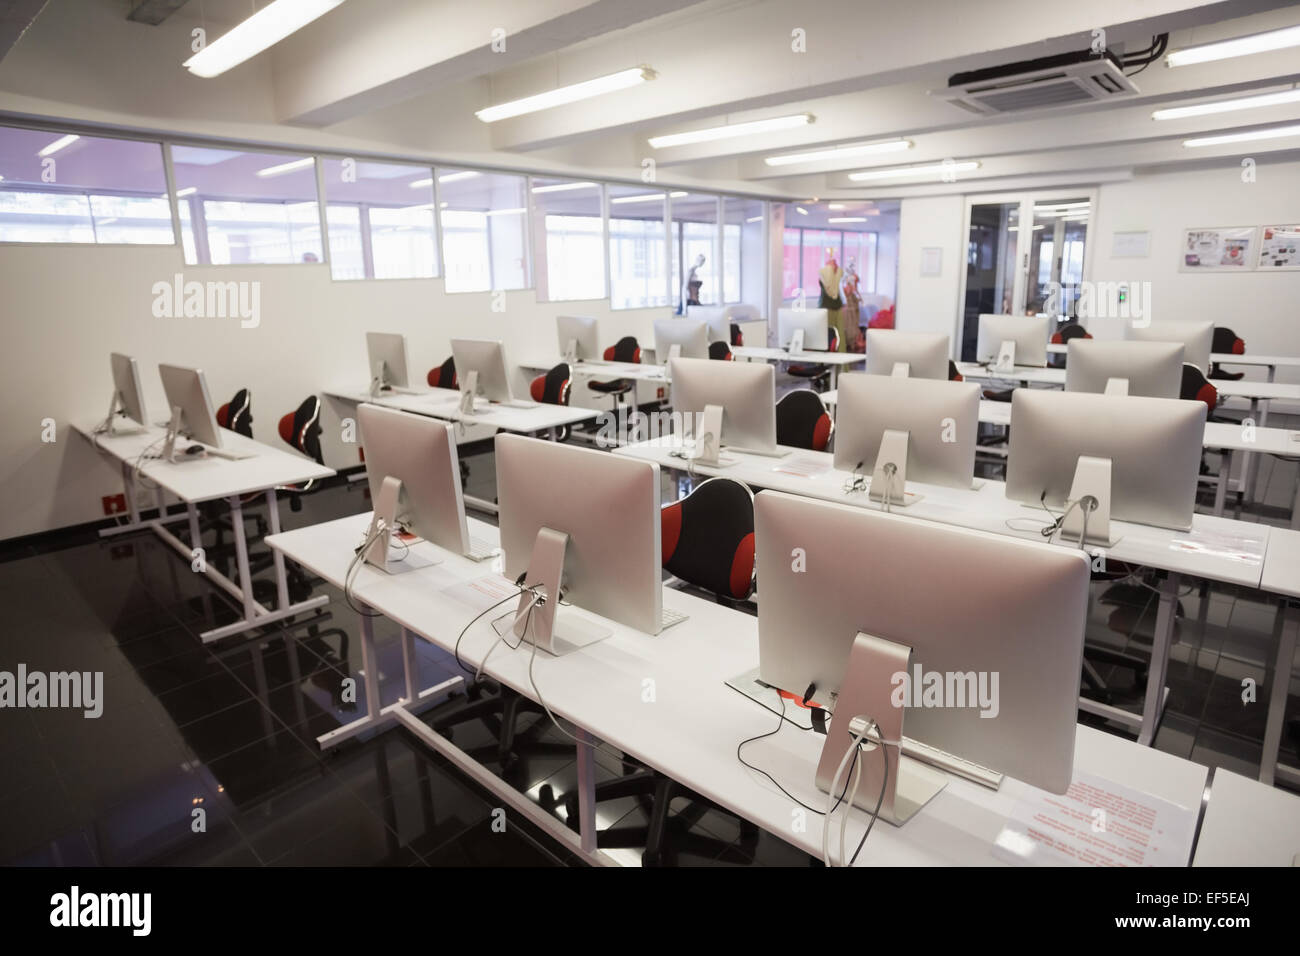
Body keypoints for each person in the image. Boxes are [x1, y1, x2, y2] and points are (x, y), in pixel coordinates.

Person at [818, 248, 844, 352]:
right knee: (827, 335)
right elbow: (829, 287)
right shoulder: (824, 274)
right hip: (826, 307)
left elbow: (834, 290)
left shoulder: (838, 274)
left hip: (836, 307)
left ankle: (841, 362)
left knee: (839, 335)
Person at [840, 258, 862, 351]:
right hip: (848, 303)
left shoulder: (854, 277)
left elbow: (855, 289)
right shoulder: (845, 279)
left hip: (853, 301)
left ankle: (852, 341)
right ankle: (849, 341)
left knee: (854, 322)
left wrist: (858, 296)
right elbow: (846, 289)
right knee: (849, 323)